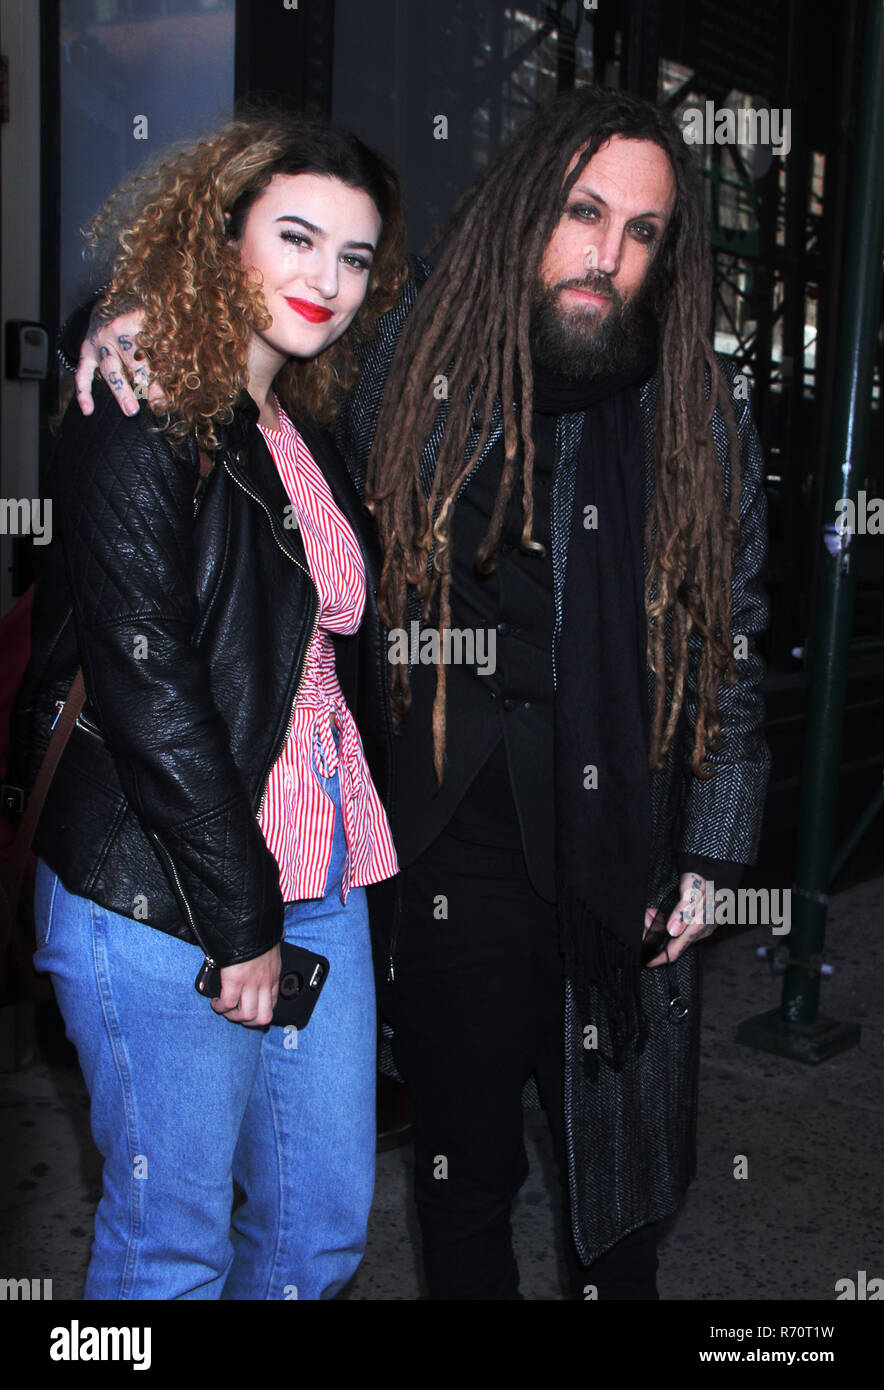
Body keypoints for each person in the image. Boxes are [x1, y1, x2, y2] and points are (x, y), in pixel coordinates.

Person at [71, 86, 771, 1301]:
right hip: (444, 850)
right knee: (456, 1186)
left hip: (627, 861)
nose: (606, 254)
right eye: (581, 211)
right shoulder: (412, 350)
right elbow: (246, 334)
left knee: (615, 1212)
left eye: (643, 231)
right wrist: (115, 316)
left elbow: (737, 639)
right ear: (520, 210)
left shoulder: (696, 412)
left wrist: (715, 844)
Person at [4, 112, 408, 1300]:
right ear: (218, 235)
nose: (323, 279)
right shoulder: (140, 395)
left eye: (353, 256)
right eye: (294, 237)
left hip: (321, 872)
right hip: (167, 888)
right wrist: (239, 918)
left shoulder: (303, 424)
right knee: (170, 1248)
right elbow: (148, 681)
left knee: (318, 1235)